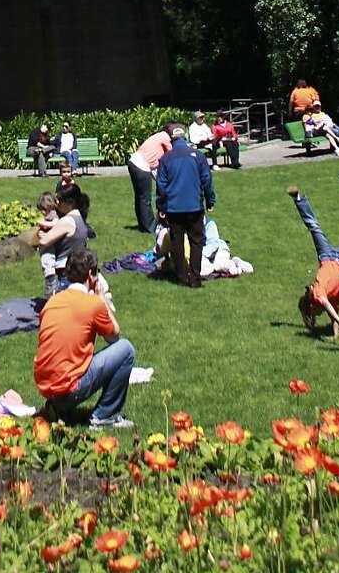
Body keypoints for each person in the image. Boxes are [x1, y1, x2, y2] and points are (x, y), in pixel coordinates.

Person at [33, 248, 135, 429]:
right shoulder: (92, 304)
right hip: (69, 387)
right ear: (90, 275)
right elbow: (114, 336)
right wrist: (102, 299)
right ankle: (105, 416)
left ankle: (57, 406)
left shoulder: (52, 302)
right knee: (126, 349)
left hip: (46, 385)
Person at [287, 185, 339, 339]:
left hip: (326, 255)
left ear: (312, 306)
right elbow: (333, 312)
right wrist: (335, 334)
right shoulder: (330, 297)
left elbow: (326, 306)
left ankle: (297, 198)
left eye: (316, 313)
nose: (320, 314)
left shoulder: (318, 294)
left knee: (314, 226)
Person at [155, 123, 216, 289]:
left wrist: (161, 206)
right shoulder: (198, 156)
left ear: (172, 140)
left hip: (174, 208)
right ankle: (195, 278)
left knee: (177, 242)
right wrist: (210, 200)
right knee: (196, 242)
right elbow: (207, 180)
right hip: (195, 206)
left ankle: (181, 276)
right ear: (185, 138)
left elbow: (161, 186)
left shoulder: (166, 159)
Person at [37, 190, 90, 295]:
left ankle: (50, 279)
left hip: (66, 268)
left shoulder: (67, 221)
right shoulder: (78, 217)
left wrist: (42, 234)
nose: (57, 204)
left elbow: (44, 242)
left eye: (59, 201)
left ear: (68, 203)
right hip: (76, 266)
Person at [127, 125, 173, 235]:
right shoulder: (164, 136)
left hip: (133, 162)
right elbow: (172, 154)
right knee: (145, 198)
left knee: (139, 197)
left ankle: (142, 225)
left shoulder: (157, 137)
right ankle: (150, 227)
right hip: (141, 166)